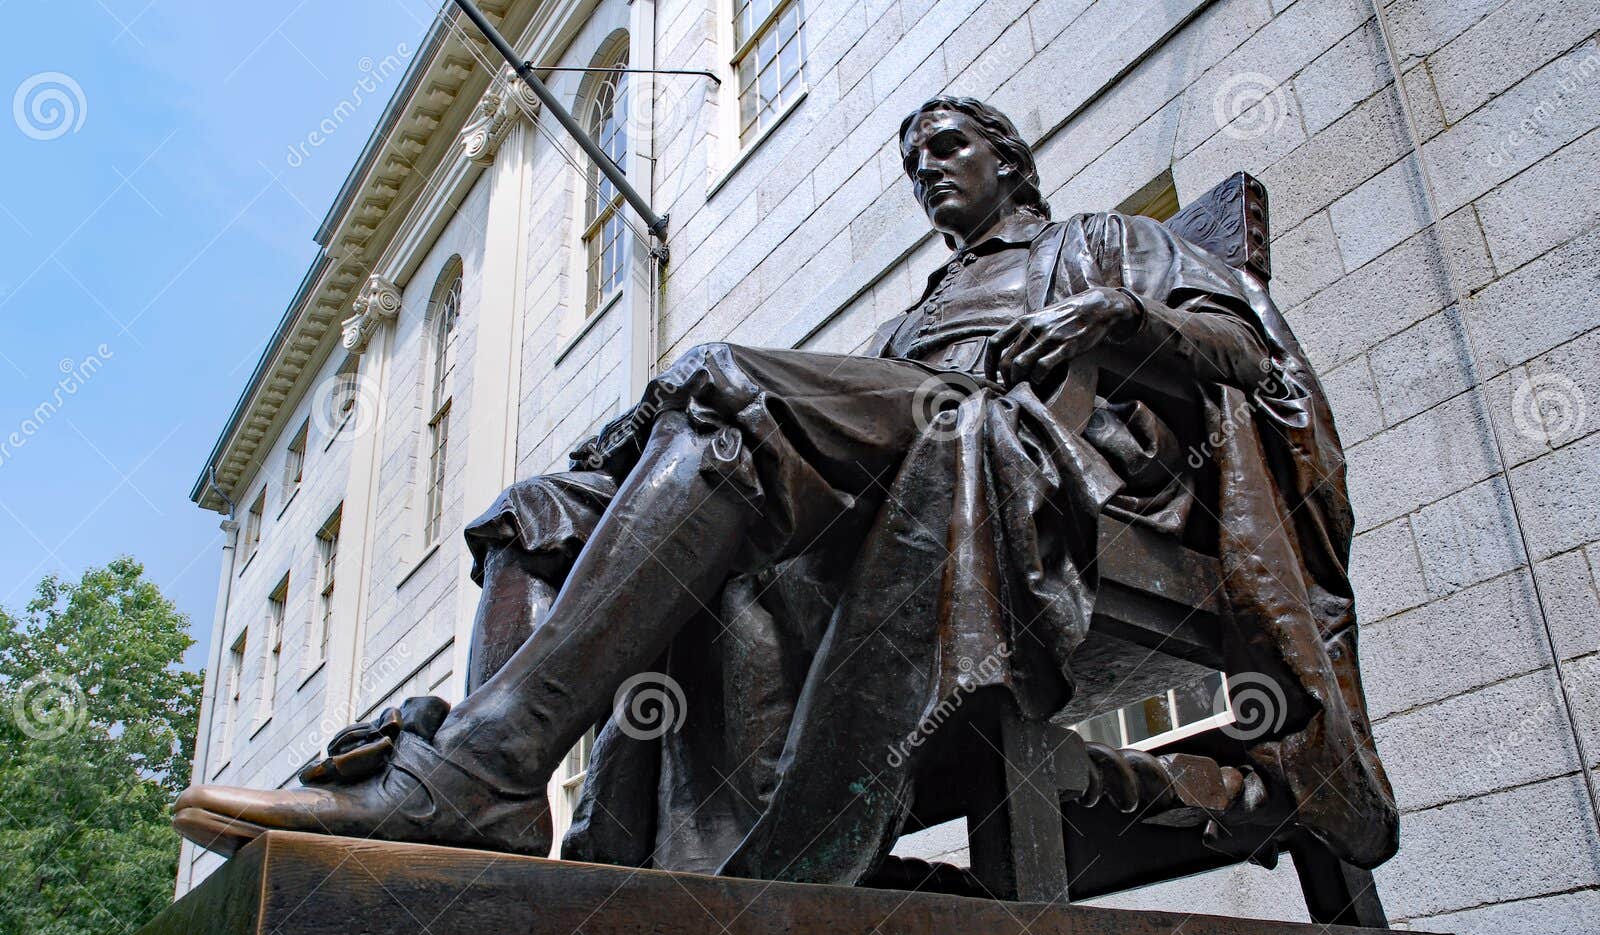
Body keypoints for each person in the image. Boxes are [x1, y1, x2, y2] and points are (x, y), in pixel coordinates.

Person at [175, 97, 1397, 884]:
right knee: (540, 508)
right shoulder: (909, 320)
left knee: (725, 383)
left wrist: (1120, 315)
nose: (928, 172)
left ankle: (475, 772)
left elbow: (1255, 361)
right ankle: (501, 811)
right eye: (913, 160)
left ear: (1011, 160)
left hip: (1041, 482)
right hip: (917, 478)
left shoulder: (1098, 243)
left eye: (948, 149)